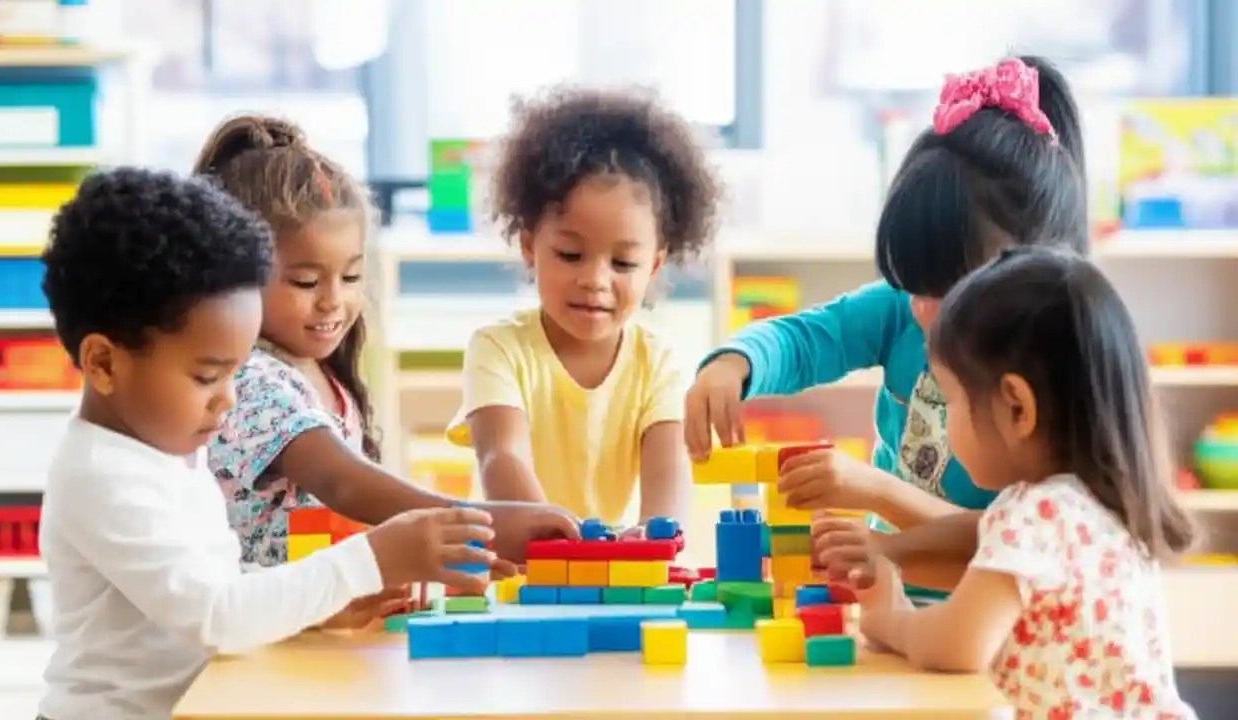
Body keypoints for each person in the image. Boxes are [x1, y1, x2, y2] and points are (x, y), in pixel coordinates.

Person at [36, 167, 499, 720]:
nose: (228, 401)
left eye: (234, 375)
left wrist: (318, 608)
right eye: (208, 377)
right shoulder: (102, 474)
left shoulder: (164, 445)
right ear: (104, 362)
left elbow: (219, 583)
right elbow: (217, 615)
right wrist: (371, 557)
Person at [684, 56, 1088, 584]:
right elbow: (809, 338)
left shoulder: (1052, 384)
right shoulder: (907, 308)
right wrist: (737, 362)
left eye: (947, 289)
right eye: (914, 283)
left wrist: (875, 492)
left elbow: (1009, 542)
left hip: (990, 619)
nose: (921, 308)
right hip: (894, 593)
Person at [190, 114, 578, 578]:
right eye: (306, 281)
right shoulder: (248, 379)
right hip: (271, 624)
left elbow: (351, 519)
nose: (334, 300)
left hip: (324, 617)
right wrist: (479, 521)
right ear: (235, 275)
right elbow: (343, 483)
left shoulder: (322, 375)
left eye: (351, 276)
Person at [816, 246, 1197, 718]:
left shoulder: (1035, 512)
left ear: (1017, 407)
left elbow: (959, 644)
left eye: (949, 400)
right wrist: (887, 551)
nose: (945, 421)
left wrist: (892, 620)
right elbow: (979, 537)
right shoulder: (1100, 505)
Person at [444, 86, 723, 531]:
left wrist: (654, 537)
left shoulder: (658, 362)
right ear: (530, 247)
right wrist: (559, 543)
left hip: (610, 571)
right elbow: (502, 455)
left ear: (653, 266)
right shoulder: (498, 348)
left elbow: (668, 471)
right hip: (511, 569)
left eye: (623, 263)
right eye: (571, 255)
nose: (595, 280)